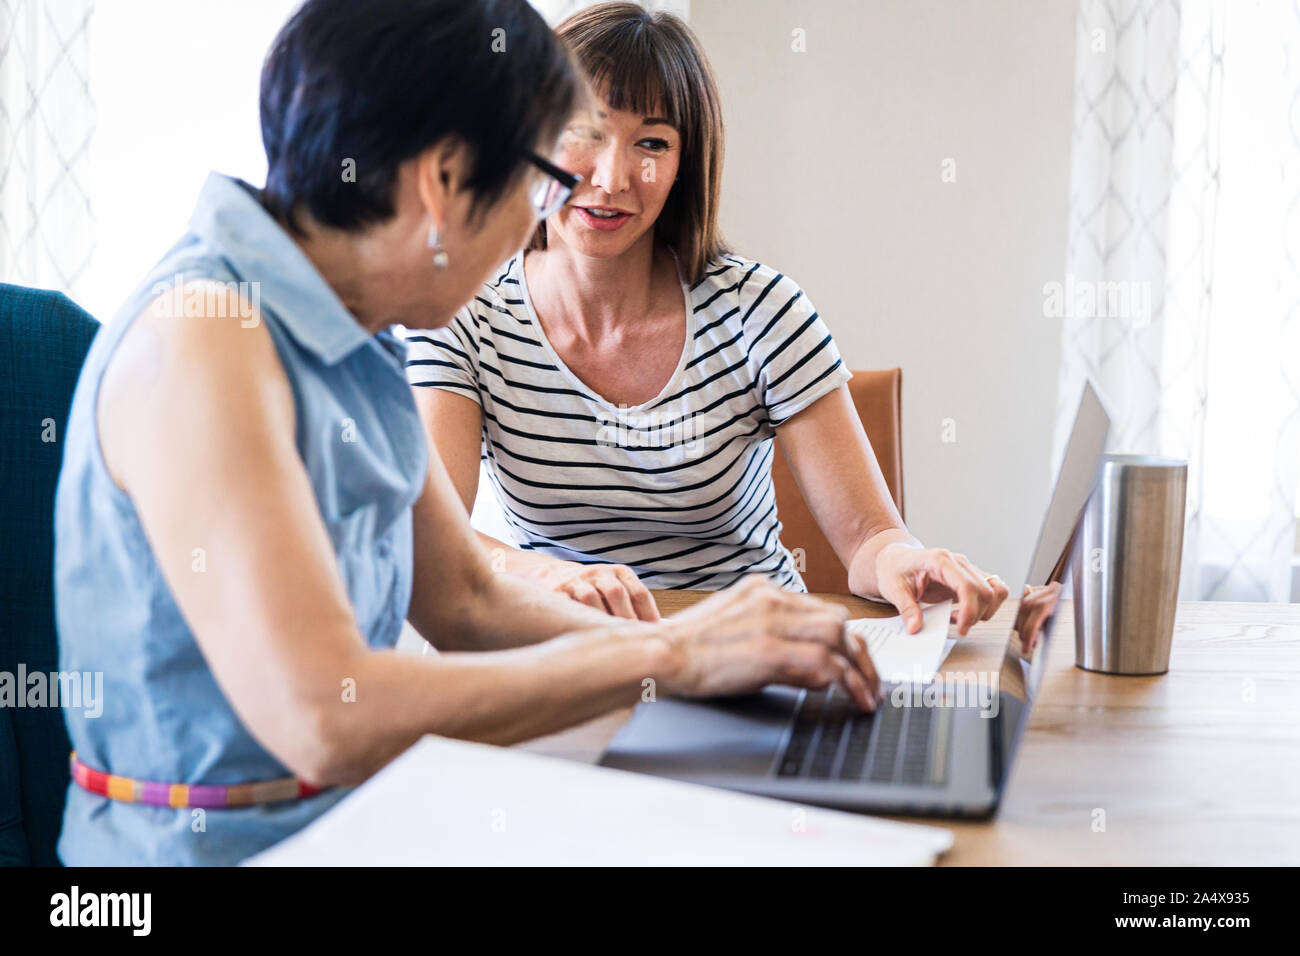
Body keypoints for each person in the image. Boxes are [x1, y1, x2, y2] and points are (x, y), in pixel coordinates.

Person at [53, 0, 878, 866]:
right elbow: (325, 717)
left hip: (366, 820)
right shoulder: (205, 336)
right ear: (444, 181)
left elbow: (465, 602)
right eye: (543, 178)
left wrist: (722, 659)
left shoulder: (356, 325)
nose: (553, 213)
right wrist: (672, 654)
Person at [408, 2, 1011, 630]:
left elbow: (868, 540)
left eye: (651, 143)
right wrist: (551, 574)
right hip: (566, 653)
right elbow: (436, 541)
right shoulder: (463, 312)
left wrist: (902, 560)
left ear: (683, 165)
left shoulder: (762, 310)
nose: (613, 178)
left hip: (749, 653)